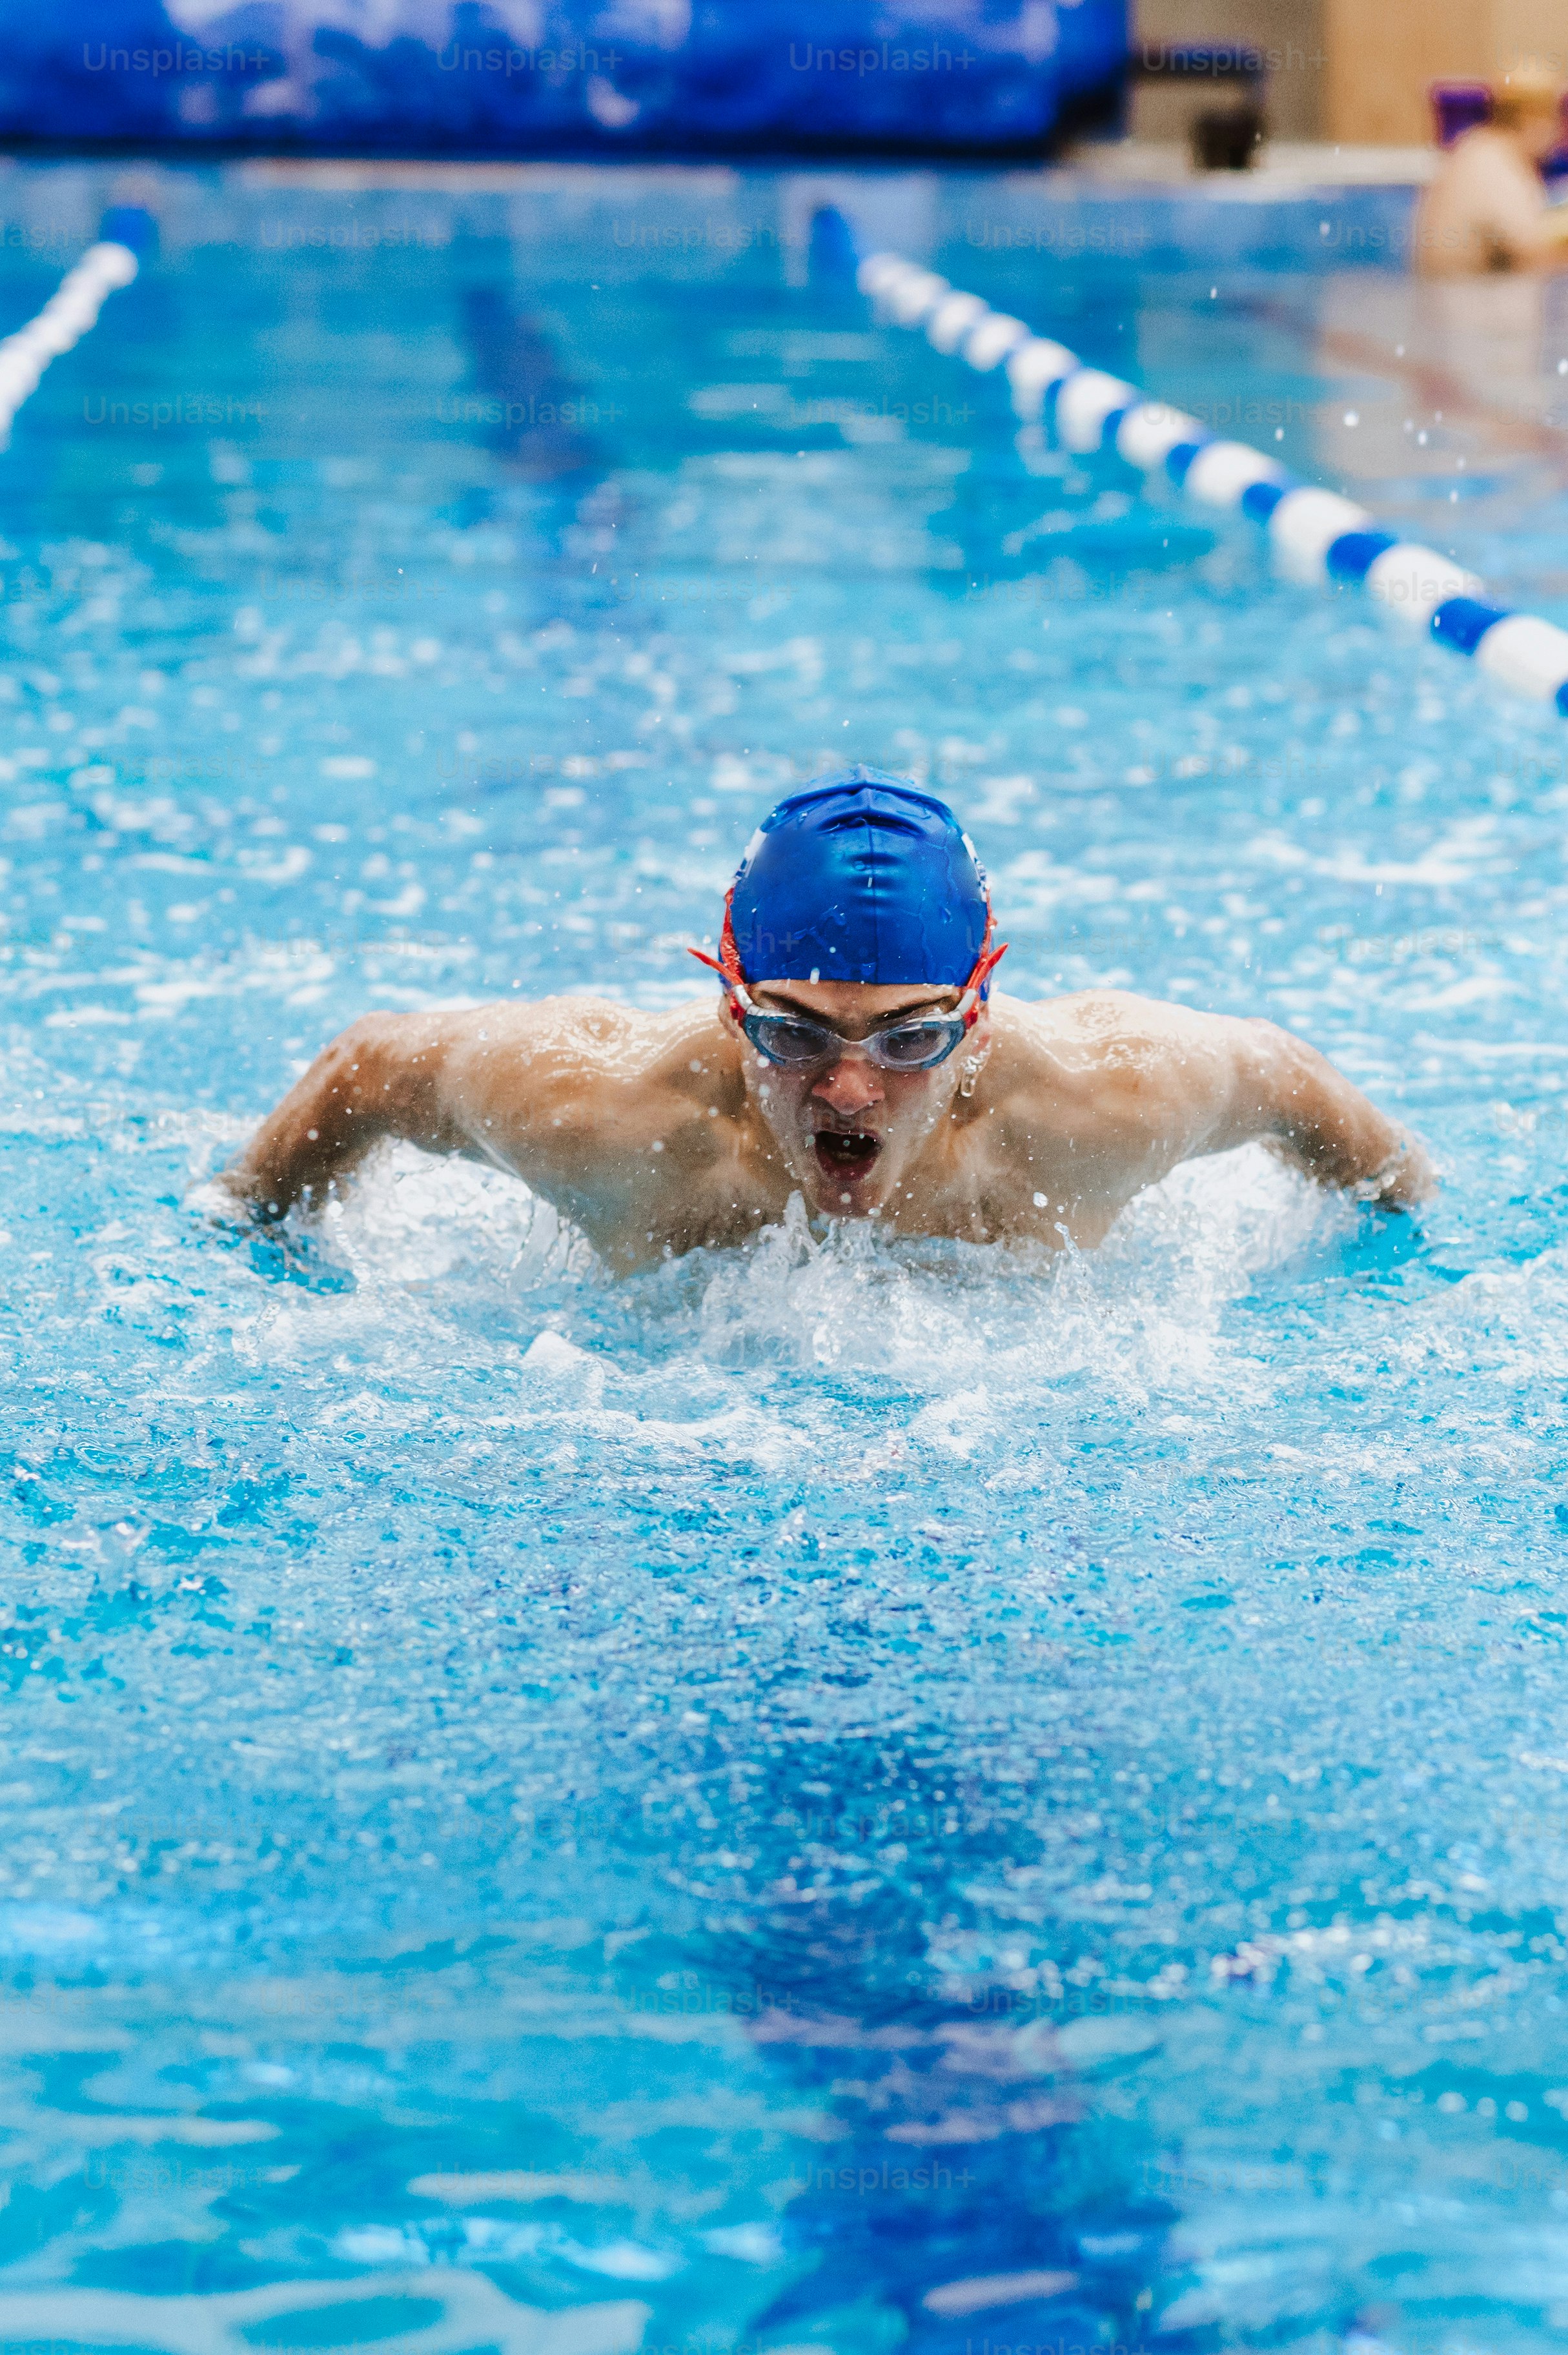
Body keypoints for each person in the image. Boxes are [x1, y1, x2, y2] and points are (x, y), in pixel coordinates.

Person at [220, 770, 1433, 1270]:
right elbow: (365, 1065)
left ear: (977, 1008)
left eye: (907, 1037)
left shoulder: (1106, 1101)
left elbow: (1298, 1087)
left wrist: (1399, 1251)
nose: (847, 1089)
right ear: (725, 996)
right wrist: (245, 1240)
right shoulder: (598, 1112)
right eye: (792, 1034)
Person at [1416, 63, 1568, 277]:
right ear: (1534, 119)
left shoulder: (1472, 150)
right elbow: (1529, 253)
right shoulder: (1497, 167)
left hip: (1449, 298)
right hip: (1474, 302)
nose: (1559, 137)